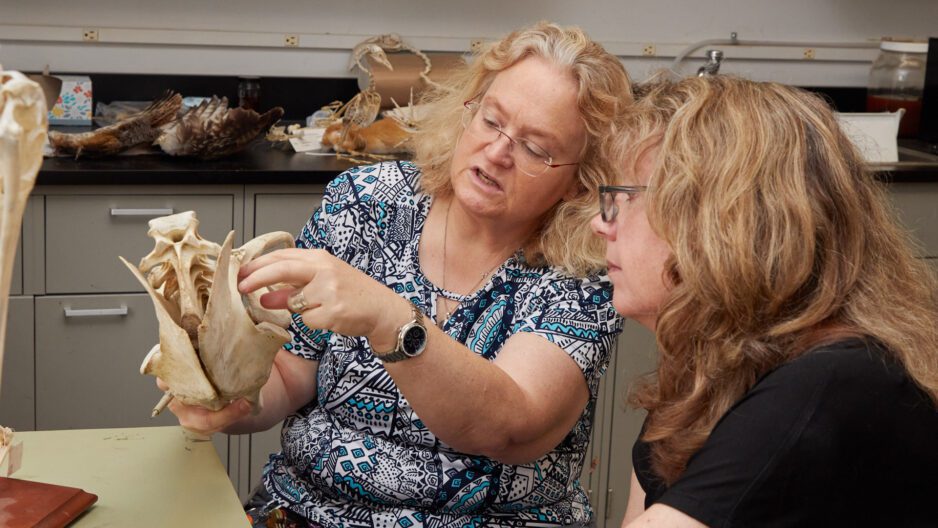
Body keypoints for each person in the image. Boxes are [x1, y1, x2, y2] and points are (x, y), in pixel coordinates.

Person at [163, 21, 632, 527]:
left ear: (580, 181)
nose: (498, 152)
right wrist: (226, 392)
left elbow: (509, 427)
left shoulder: (583, 271)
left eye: (536, 149)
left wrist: (390, 319)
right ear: (466, 110)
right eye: (492, 120)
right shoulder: (367, 202)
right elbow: (288, 376)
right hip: (305, 512)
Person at [592, 76, 938, 527]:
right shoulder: (713, 359)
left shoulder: (831, 382)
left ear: (717, 222)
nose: (602, 224)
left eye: (624, 198)